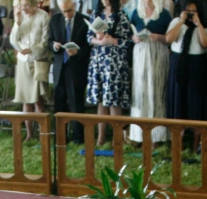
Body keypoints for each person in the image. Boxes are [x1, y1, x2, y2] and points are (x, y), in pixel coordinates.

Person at [86, 0, 132, 147]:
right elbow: (88, 37)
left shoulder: (121, 15)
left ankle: (117, 138)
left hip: (114, 62)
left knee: (113, 100)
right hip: (99, 60)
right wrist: (98, 41)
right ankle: (100, 138)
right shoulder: (96, 14)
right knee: (101, 100)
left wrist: (113, 40)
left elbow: (128, 40)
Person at [165, 0, 207, 146]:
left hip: (197, 66)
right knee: (179, 102)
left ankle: (196, 142)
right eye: (188, 10)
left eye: (194, 11)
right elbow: (168, 39)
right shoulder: (176, 22)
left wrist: (199, 24)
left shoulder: (205, 24)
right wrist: (181, 21)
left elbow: (205, 43)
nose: (191, 13)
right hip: (179, 65)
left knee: (196, 103)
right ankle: (178, 142)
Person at [128, 0, 171, 144]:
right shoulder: (136, 13)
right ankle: (138, 134)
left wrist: (159, 37)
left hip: (157, 53)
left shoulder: (164, 14)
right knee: (140, 92)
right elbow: (129, 33)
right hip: (140, 54)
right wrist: (134, 38)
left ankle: (156, 136)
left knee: (156, 91)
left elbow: (170, 38)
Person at [49, 0, 91, 144]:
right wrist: (54, 46)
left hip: (76, 67)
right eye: (63, 11)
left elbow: (89, 46)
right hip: (60, 66)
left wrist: (77, 52)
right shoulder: (55, 20)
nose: (67, 14)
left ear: (74, 5)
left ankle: (79, 137)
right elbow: (49, 40)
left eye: (69, 10)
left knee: (76, 103)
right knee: (59, 103)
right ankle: (60, 136)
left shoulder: (84, 20)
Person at [10, 0, 51, 141]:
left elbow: (45, 41)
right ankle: (29, 133)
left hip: (37, 60)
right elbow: (13, 39)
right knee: (25, 100)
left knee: (38, 100)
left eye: (27, 5)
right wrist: (17, 22)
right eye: (22, 5)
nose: (24, 8)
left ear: (35, 5)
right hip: (23, 61)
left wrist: (32, 50)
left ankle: (42, 134)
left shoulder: (43, 16)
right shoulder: (20, 16)